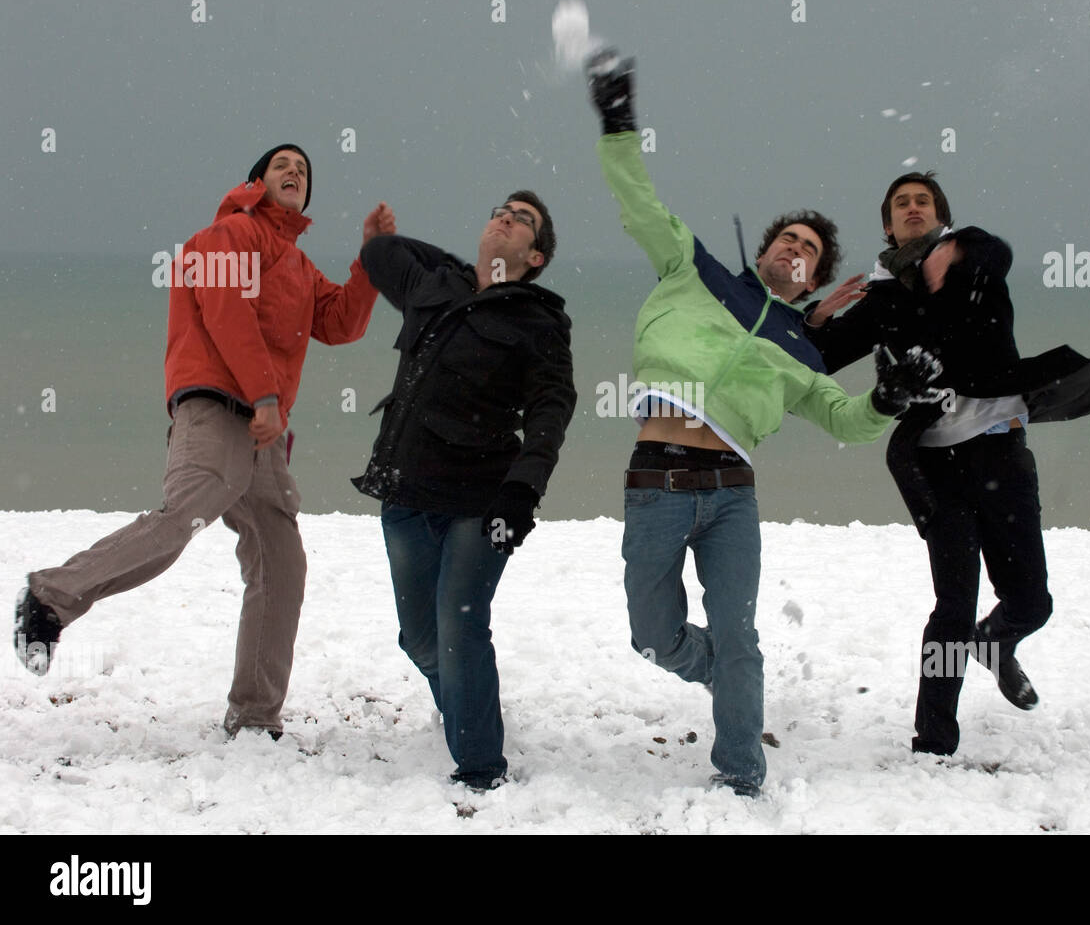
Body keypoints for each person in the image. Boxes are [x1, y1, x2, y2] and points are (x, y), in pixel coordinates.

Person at [587, 50, 944, 797]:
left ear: (815, 277)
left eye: (811, 251)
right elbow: (638, 202)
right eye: (791, 239)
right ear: (767, 249)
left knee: (741, 632)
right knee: (652, 635)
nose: (798, 250)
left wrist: (890, 396)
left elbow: (845, 420)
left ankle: (741, 774)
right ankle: (725, 672)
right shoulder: (693, 268)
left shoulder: (800, 348)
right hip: (655, 477)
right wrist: (620, 121)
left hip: (730, 494)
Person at [15, 144, 395, 739]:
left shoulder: (295, 264)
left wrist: (371, 259)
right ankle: (50, 596)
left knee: (280, 562)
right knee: (182, 518)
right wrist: (267, 397)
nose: (295, 172)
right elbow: (227, 314)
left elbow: (340, 322)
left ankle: (253, 718)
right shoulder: (226, 235)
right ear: (255, 182)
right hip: (217, 407)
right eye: (282, 165)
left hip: (261, 428)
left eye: (304, 170)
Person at [806, 171, 1090, 756]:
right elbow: (819, 360)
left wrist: (958, 253)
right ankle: (934, 739)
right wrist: (816, 322)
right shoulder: (882, 297)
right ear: (888, 225)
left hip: (1000, 445)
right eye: (901, 204)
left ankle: (997, 641)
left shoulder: (973, 258)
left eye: (923, 201)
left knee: (1032, 600)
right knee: (954, 602)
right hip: (930, 461)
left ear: (942, 217)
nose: (913, 208)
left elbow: (997, 251)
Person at [352, 191, 576, 792]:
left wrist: (522, 492)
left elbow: (552, 409)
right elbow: (382, 254)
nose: (504, 218)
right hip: (404, 493)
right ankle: (466, 707)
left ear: (537, 256)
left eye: (521, 220)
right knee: (421, 637)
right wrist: (455, 264)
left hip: (481, 502)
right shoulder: (436, 288)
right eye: (499, 211)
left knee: (459, 628)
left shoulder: (538, 321)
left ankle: (480, 771)